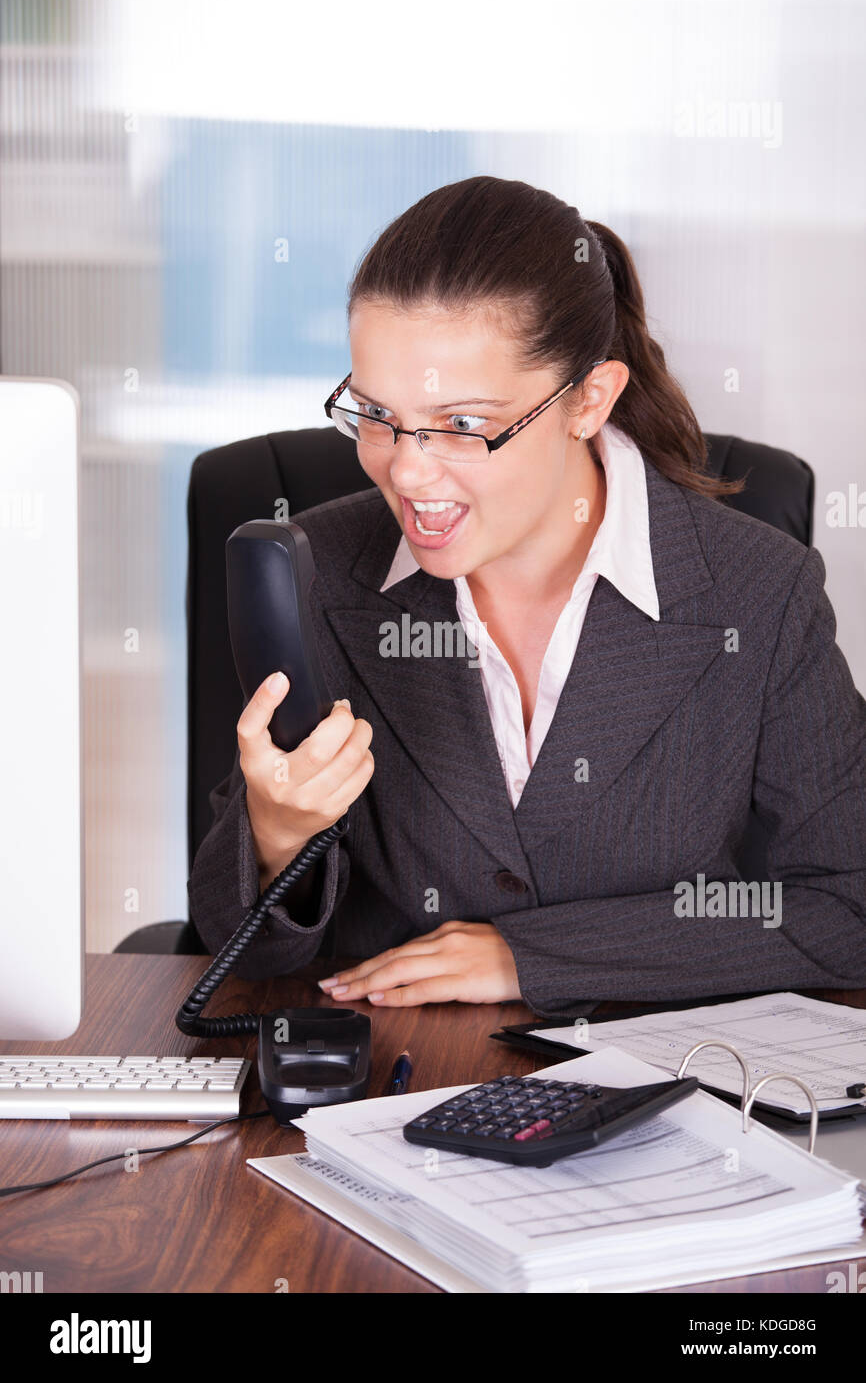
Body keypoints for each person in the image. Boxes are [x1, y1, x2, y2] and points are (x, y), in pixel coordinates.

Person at [187, 175, 866, 1020]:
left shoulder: (760, 591)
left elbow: (849, 906)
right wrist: (277, 832)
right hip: (390, 1068)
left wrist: (533, 957)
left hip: (654, 1081)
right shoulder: (318, 573)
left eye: (463, 424)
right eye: (376, 414)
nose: (407, 470)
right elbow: (237, 953)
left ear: (589, 399)